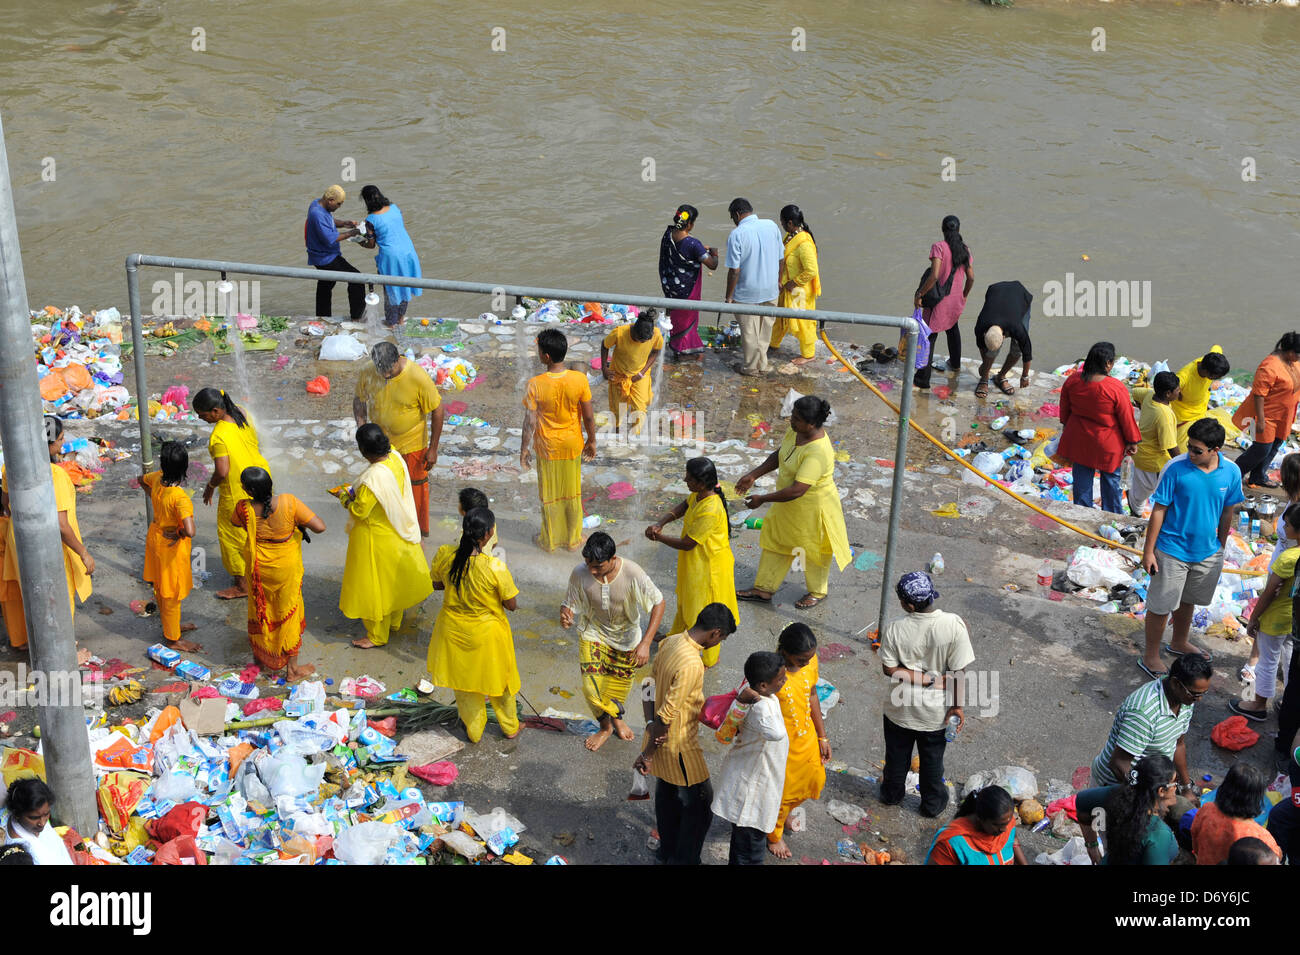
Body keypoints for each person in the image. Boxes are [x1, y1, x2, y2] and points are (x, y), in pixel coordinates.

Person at [634, 602, 737, 865]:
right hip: (679, 745)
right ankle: (685, 859)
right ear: (715, 633)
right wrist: (646, 754)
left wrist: (647, 726)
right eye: (722, 639)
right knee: (701, 805)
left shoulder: (671, 641)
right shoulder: (692, 663)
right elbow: (667, 716)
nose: (719, 643)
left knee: (667, 795)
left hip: (656, 737)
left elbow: (648, 684)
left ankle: (667, 851)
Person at [1140, 418, 1243, 676]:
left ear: (1215, 449)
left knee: (1188, 601)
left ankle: (1179, 641)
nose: (1191, 453)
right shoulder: (1176, 469)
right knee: (1161, 605)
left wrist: (1220, 545)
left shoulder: (1231, 472)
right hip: (1172, 549)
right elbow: (1159, 509)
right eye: (1189, 447)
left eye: (1197, 450)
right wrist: (1148, 551)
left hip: (1207, 552)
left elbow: (1228, 511)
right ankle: (1151, 654)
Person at [735, 395, 850, 609]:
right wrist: (754, 475)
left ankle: (817, 591)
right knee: (776, 543)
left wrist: (763, 499)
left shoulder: (817, 452)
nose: (791, 420)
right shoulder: (797, 432)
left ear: (812, 423)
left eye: (796, 418)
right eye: (792, 416)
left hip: (813, 510)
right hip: (788, 506)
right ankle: (763, 589)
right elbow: (782, 453)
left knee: (813, 552)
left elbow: (798, 489)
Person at [878, 571, 974, 818]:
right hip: (934, 716)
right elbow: (958, 672)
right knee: (932, 763)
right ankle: (931, 806)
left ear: (909, 605)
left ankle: (891, 795)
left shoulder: (894, 628)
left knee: (896, 759)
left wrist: (921, 679)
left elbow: (889, 669)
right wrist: (956, 707)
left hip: (899, 712)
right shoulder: (954, 625)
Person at [561, 532, 665, 751]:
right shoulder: (580, 572)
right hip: (594, 633)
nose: (592, 570)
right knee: (591, 689)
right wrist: (566, 613)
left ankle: (617, 718)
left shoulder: (632, 572)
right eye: (588, 563)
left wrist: (645, 643)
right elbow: (569, 601)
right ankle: (605, 727)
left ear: (613, 559)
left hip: (627, 639)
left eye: (598, 566)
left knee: (616, 692)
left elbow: (658, 602)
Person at [427, 508, 521, 743]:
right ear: (488, 534)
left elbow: (437, 584)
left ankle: (475, 731)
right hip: (487, 635)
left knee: (466, 687)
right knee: (501, 682)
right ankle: (510, 727)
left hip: (453, 631)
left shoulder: (446, 555)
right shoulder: (494, 567)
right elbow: (511, 604)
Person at [0, 415, 94, 649]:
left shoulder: (9, 466)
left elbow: (5, 503)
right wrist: (83, 553)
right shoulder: (56, 476)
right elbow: (62, 524)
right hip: (47, 542)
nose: (62, 444)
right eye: (60, 439)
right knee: (57, 594)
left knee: (28, 590)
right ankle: (59, 648)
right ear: (49, 443)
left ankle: (26, 641)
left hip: (17, 537)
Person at [338, 425, 433, 650]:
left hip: (374, 536)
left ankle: (375, 635)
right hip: (395, 528)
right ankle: (393, 623)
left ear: (363, 451)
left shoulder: (373, 477)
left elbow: (360, 510)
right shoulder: (396, 457)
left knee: (373, 588)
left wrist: (344, 497)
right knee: (392, 584)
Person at [230, 467, 325, 681]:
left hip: (258, 569)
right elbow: (320, 526)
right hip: (286, 569)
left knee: (261, 611)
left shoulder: (243, 508)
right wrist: (297, 523)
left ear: (247, 489)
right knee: (288, 614)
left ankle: (260, 662)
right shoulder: (289, 502)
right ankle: (292, 670)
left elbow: (234, 522)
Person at [645, 457, 738, 669]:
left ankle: (707, 658)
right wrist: (661, 522)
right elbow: (684, 505)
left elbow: (688, 544)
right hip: (695, 563)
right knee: (686, 602)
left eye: (690, 478)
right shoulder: (698, 495)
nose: (685, 480)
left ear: (702, 482)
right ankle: (677, 637)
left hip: (708, 568)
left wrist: (658, 537)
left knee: (704, 611)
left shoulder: (711, 509)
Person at [354, 342, 444, 538]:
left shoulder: (417, 376)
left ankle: (417, 534)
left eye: (389, 370)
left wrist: (433, 448)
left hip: (412, 446)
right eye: (381, 370)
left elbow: (438, 409)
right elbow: (359, 399)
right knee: (384, 488)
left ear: (398, 360)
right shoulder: (368, 372)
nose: (385, 376)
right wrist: (362, 429)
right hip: (381, 447)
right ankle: (390, 529)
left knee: (415, 491)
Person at [1090, 655, 1211, 799]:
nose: (1199, 699)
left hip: (1152, 781)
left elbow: (1178, 745)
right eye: (1195, 694)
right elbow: (1119, 764)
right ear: (1175, 683)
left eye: (1203, 693)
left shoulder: (1185, 700)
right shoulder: (1144, 712)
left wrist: (1186, 789)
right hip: (1115, 785)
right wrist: (1145, 800)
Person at [520, 329, 597, 552]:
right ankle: (573, 541)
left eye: (539, 350)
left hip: (547, 447)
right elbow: (589, 415)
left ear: (546, 357)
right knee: (572, 492)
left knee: (550, 493)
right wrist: (592, 441)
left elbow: (530, 422)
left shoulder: (535, 384)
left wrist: (524, 449)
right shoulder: (579, 379)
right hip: (572, 444)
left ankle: (551, 540)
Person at [710, 650, 789, 865]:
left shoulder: (755, 693)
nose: (785, 680)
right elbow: (777, 733)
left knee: (743, 845)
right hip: (753, 789)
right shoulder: (759, 705)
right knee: (750, 852)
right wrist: (756, 700)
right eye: (781, 679)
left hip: (751, 779)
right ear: (762, 685)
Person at [193, 387, 270, 600]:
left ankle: (243, 586)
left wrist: (210, 487)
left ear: (216, 411)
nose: (201, 418)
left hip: (238, 490)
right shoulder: (242, 413)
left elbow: (222, 471)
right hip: (261, 479)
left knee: (232, 537)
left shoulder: (219, 436)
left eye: (203, 414)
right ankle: (262, 573)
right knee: (258, 529)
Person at [765, 623, 829, 859]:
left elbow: (812, 695)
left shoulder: (810, 662)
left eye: (810, 658)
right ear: (785, 652)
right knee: (783, 793)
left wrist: (822, 736)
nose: (807, 663)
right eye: (802, 659)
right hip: (782, 746)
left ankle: (784, 814)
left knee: (814, 778)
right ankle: (774, 834)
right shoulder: (772, 674)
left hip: (807, 737)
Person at [1058, 342, 1143, 514]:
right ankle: (1111, 518)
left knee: (1082, 481)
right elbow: (1127, 418)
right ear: (1108, 364)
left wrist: (1069, 429)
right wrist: (1133, 440)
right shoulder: (1115, 388)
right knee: (1112, 482)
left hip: (1079, 438)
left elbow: (1064, 411)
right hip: (1107, 443)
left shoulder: (1073, 380)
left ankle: (1083, 516)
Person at [1236, 506, 1300, 722]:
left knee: (1267, 661)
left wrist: (1254, 618)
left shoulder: (1288, 558)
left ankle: (1259, 705)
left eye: (1288, 525)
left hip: (1275, 618)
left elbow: (1270, 592)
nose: (1285, 528)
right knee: (1290, 660)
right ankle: (1289, 703)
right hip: (1293, 620)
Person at [140, 441, 201, 653]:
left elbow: (142, 480)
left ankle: (172, 626)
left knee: (161, 587)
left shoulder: (156, 478)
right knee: (171, 594)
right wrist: (178, 532)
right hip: (170, 548)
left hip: (155, 537)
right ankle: (173, 639)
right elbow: (190, 530)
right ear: (184, 468)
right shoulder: (180, 498)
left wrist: (153, 498)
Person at [1075, 755, 1180, 866]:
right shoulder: (1159, 833)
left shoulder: (1119, 795)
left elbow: (1082, 802)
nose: (1177, 787)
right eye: (1175, 782)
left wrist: (1092, 846)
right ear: (1161, 791)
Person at [723, 197, 784, 377]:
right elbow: (782, 258)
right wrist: (779, 281)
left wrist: (728, 297)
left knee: (750, 333)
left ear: (737, 214)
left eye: (733, 218)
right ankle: (763, 364)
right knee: (765, 330)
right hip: (771, 289)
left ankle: (750, 367)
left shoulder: (737, 234)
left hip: (747, 293)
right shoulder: (772, 226)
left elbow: (734, 270)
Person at [1232, 333, 1300, 489]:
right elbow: (1259, 395)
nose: (1299, 357)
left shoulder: (1293, 362)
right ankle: (1234, 475)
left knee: (1275, 445)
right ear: (1288, 351)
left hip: (1284, 414)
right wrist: (1260, 420)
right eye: (1297, 353)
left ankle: (1257, 476)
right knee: (1261, 449)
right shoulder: (1269, 366)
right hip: (1266, 415)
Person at [914, 215, 974, 383]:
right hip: (955, 301)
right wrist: (964, 295)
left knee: (929, 335)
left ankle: (923, 379)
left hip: (938, 300)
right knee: (952, 329)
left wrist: (920, 294)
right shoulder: (965, 249)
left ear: (943, 229)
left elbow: (934, 276)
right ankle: (955, 364)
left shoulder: (938, 247)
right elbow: (971, 278)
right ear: (958, 229)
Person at [356, 185, 423, 327]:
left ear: (367, 201)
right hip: (408, 251)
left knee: (391, 291)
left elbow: (371, 244)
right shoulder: (394, 208)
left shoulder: (371, 220)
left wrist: (359, 241)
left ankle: (391, 323)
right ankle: (400, 319)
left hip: (391, 257)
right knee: (405, 286)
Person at [659, 205, 718, 361]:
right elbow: (712, 264)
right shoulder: (693, 244)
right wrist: (714, 253)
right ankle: (685, 350)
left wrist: (699, 250)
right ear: (690, 223)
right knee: (687, 319)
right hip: (688, 289)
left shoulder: (668, 235)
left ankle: (677, 348)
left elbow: (676, 253)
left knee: (677, 318)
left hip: (671, 287)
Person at [1190, 763, 1282, 865]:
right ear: (1256, 798)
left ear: (1225, 786)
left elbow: (1194, 837)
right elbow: (1276, 856)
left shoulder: (1207, 809)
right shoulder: (1259, 836)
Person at [768, 204, 821, 366]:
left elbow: (811, 270)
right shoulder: (790, 236)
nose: (782, 225)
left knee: (803, 322)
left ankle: (808, 354)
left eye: (783, 222)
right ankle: (773, 343)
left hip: (800, 291)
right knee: (780, 318)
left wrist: (794, 282)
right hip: (787, 288)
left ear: (790, 223)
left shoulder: (804, 243)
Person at [925, 786, 1026, 865]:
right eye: (997, 825)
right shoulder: (952, 843)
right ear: (980, 818)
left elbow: (1013, 841)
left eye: (1007, 823)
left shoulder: (1006, 821)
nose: (1004, 829)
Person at [305, 184, 363, 320]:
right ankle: (357, 317)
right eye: (338, 204)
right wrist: (352, 232)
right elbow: (331, 239)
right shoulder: (316, 214)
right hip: (325, 257)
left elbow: (328, 220)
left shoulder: (316, 204)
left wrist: (344, 223)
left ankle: (323, 316)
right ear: (330, 200)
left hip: (318, 254)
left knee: (326, 283)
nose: (339, 207)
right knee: (356, 279)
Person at [1127, 371, 1182, 516]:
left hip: (1140, 453)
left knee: (1140, 491)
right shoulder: (1163, 415)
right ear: (1168, 394)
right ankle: (1135, 518)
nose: (1179, 391)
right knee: (1151, 494)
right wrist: (1185, 464)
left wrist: (1141, 406)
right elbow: (1170, 446)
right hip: (1153, 462)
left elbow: (1135, 392)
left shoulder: (1150, 395)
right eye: (1177, 389)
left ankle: (1134, 507)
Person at [600, 310, 663, 435]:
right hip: (619, 375)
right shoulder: (620, 333)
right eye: (639, 340)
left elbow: (656, 351)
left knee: (639, 408)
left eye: (645, 341)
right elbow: (605, 345)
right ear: (634, 330)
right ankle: (618, 434)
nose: (641, 343)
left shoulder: (656, 334)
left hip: (640, 375)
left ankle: (635, 436)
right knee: (619, 410)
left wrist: (641, 373)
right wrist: (604, 369)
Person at [969, 280, 1032, 397]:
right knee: (992, 351)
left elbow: (1027, 353)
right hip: (996, 291)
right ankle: (984, 379)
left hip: (1020, 296)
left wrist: (1025, 376)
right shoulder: (981, 326)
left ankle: (1001, 376)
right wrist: (984, 367)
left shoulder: (1017, 328)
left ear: (1004, 336)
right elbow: (982, 347)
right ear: (985, 333)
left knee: (1017, 349)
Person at [1170, 347, 1230, 453]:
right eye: (1215, 377)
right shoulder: (1185, 376)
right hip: (1185, 417)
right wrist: (1178, 395)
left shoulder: (1210, 359)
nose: (1216, 380)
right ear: (1207, 371)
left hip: (1201, 412)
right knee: (1183, 451)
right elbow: (1169, 390)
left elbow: (1217, 347)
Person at [2, 780, 72, 866]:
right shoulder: (19, 852)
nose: (42, 823)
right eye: (34, 818)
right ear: (17, 814)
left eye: (46, 814)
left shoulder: (36, 818)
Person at [457, 487, 496, 552]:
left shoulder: (466, 535)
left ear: (463, 511)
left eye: (459, 502)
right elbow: (494, 543)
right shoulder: (491, 523)